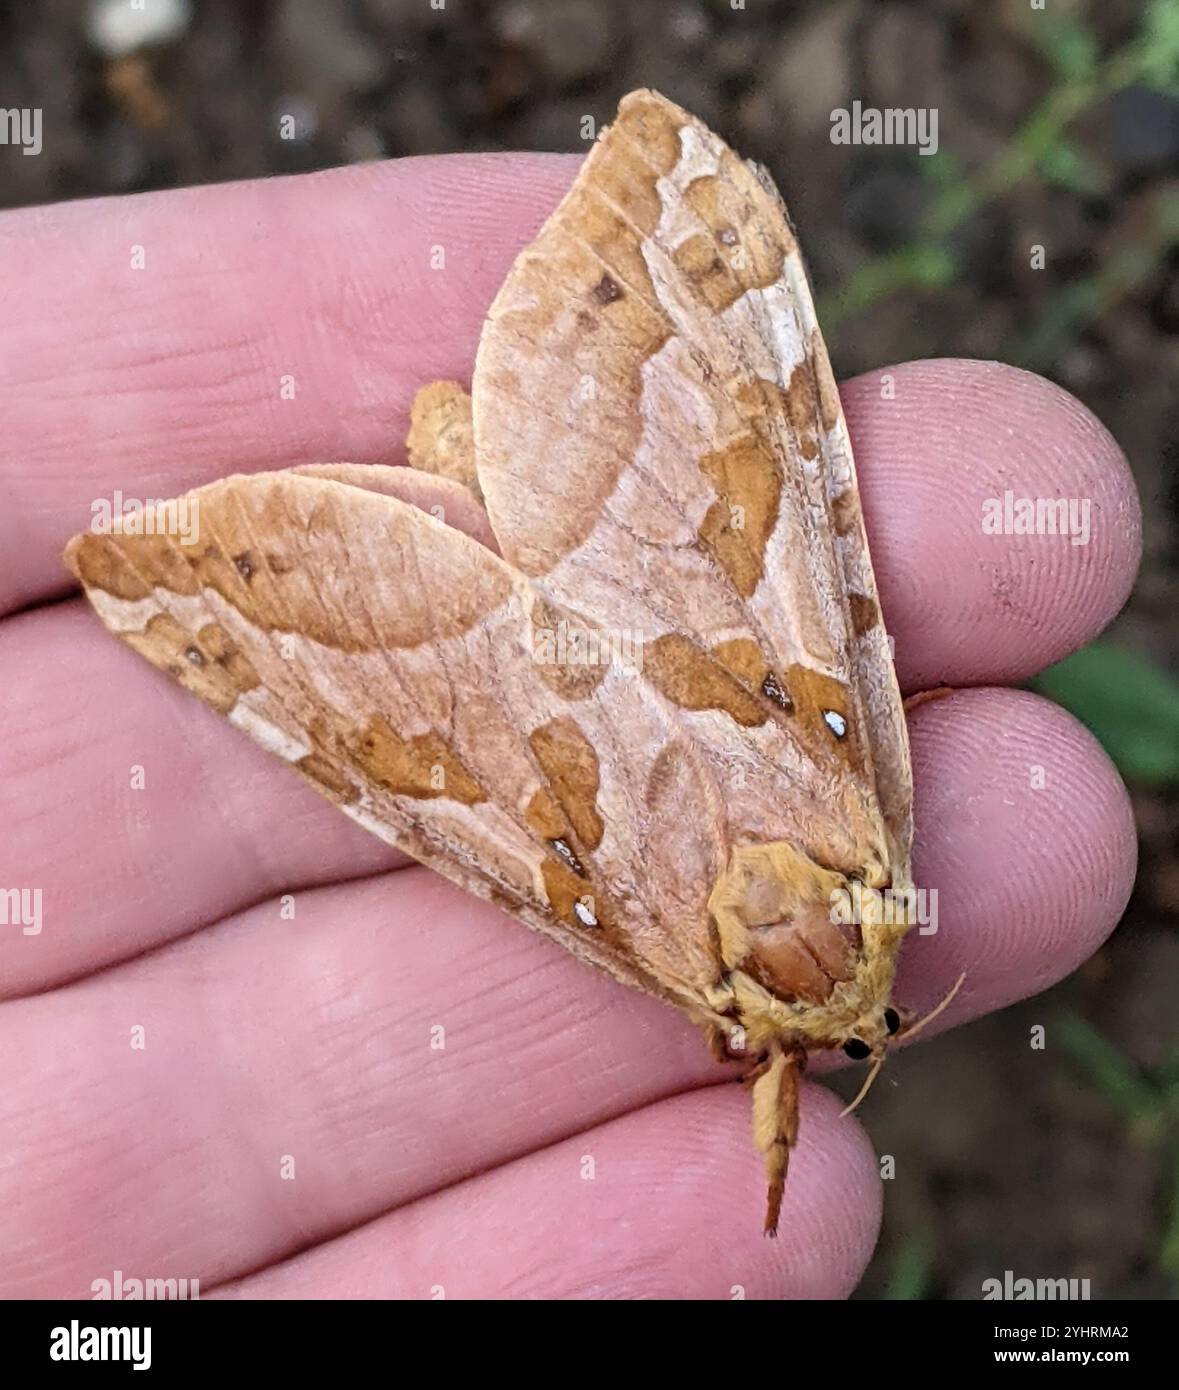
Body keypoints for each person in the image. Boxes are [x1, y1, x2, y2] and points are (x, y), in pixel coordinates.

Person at [0, 152, 1141, 1299]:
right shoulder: (716, 955)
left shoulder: (862, 815)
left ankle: (231, 581)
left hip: (581, 520)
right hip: (558, 548)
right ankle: (226, 581)